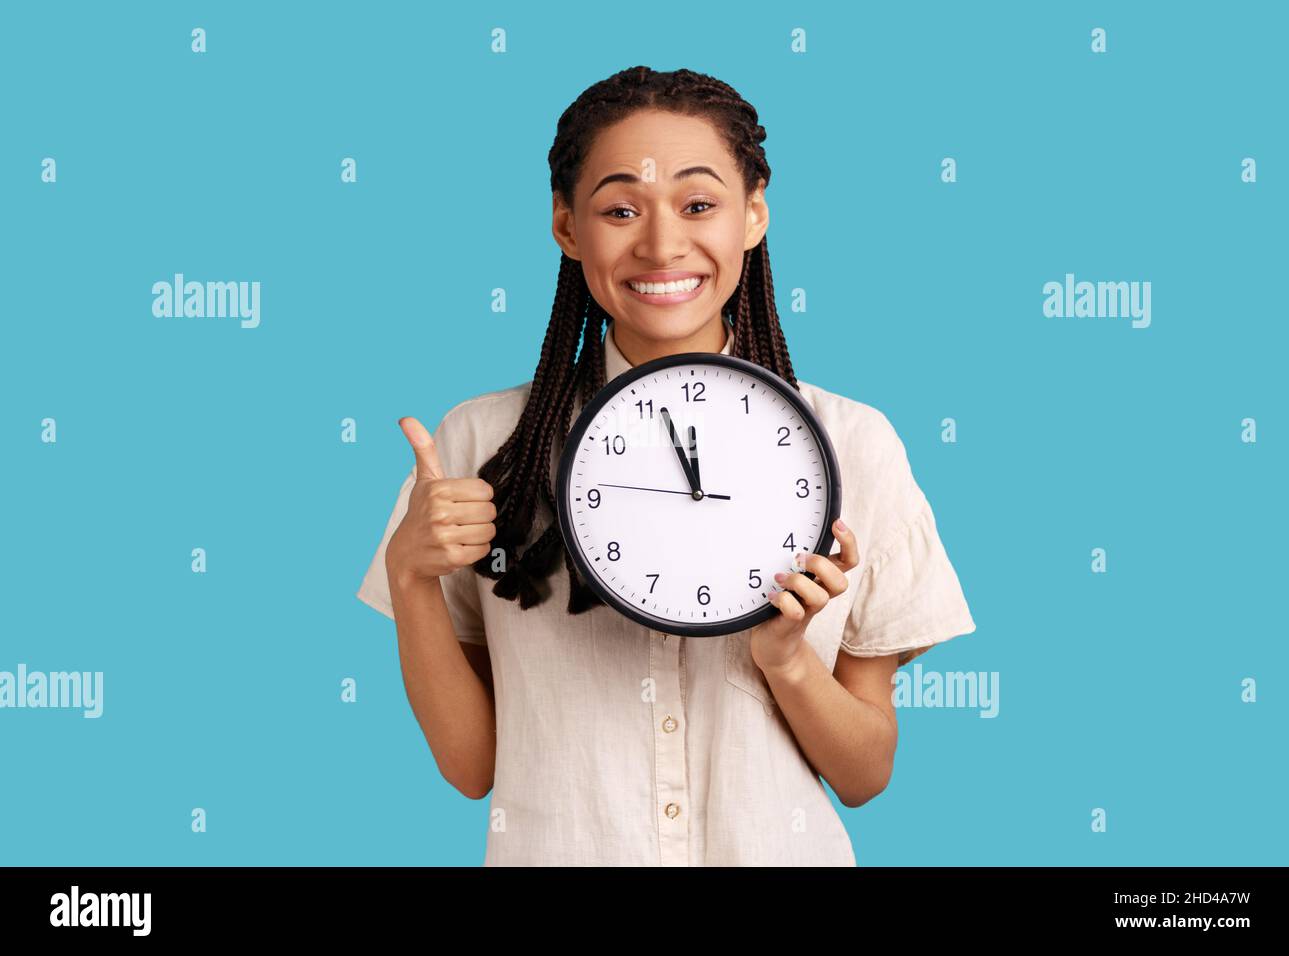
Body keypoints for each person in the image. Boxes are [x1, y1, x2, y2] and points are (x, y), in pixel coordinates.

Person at [356, 66, 976, 866]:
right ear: (567, 227)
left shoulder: (852, 444)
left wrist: (786, 658)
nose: (660, 244)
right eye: (619, 209)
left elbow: (865, 774)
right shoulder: (481, 447)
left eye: (698, 204)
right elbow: (472, 768)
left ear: (753, 214)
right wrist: (410, 576)